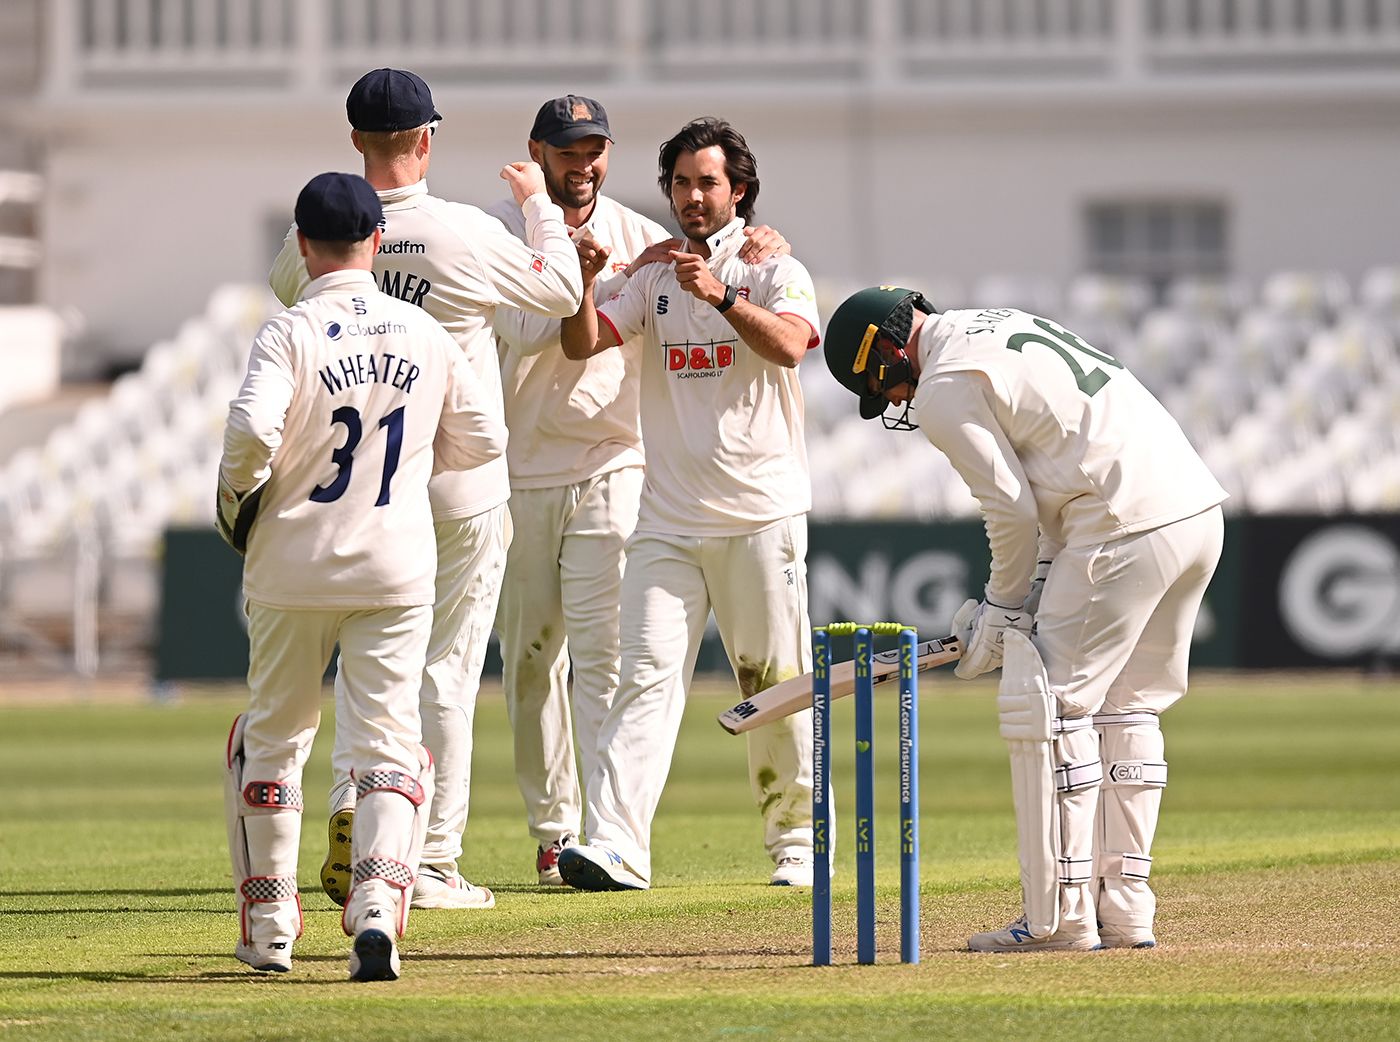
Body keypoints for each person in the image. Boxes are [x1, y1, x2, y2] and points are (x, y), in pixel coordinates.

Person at [821, 287, 1227, 951]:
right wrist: (1021, 598)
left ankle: (1060, 919)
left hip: (1119, 524)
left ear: (887, 351)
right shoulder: (999, 324)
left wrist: (1003, 606)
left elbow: (1009, 510)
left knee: (1054, 711)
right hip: (1194, 511)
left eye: (882, 387)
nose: (894, 401)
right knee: (1129, 710)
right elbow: (1047, 492)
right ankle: (1126, 910)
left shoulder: (944, 385)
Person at [269, 69, 582, 910]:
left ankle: (353, 808)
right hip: (457, 484)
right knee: (443, 674)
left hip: (361, 491)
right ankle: (431, 858)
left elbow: (289, 287)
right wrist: (539, 208)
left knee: (367, 673)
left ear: (355, 140)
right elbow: (561, 292)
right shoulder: (461, 231)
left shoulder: (316, 241)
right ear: (426, 138)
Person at [488, 97, 790, 884]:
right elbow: (548, 333)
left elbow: (778, 326)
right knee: (537, 663)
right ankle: (569, 833)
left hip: (624, 468)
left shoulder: (659, 240)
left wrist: (743, 263)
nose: (583, 163)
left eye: (594, 148)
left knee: (626, 663)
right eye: (567, 150)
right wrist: (587, 274)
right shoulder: (509, 234)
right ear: (539, 153)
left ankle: (623, 838)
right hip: (529, 471)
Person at [219, 172, 506, 980]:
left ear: (304, 245)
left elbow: (250, 430)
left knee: (272, 741)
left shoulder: (289, 330)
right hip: (394, 566)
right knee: (388, 743)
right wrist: (413, 470)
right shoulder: (423, 331)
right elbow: (484, 438)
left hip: (292, 564)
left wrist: (240, 493)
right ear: (376, 241)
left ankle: (270, 926)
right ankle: (377, 907)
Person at [556, 117, 821, 891]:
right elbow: (581, 343)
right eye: (680, 184)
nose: (693, 197)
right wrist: (583, 283)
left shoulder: (774, 266)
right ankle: (616, 845)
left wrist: (724, 295)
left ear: (739, 190)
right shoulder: (653, 275)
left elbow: (792, 346)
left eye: (708, 183)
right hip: (667, 520)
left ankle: (798, 842)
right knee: (641, 677)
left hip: (759, 515)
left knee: (772, 681)